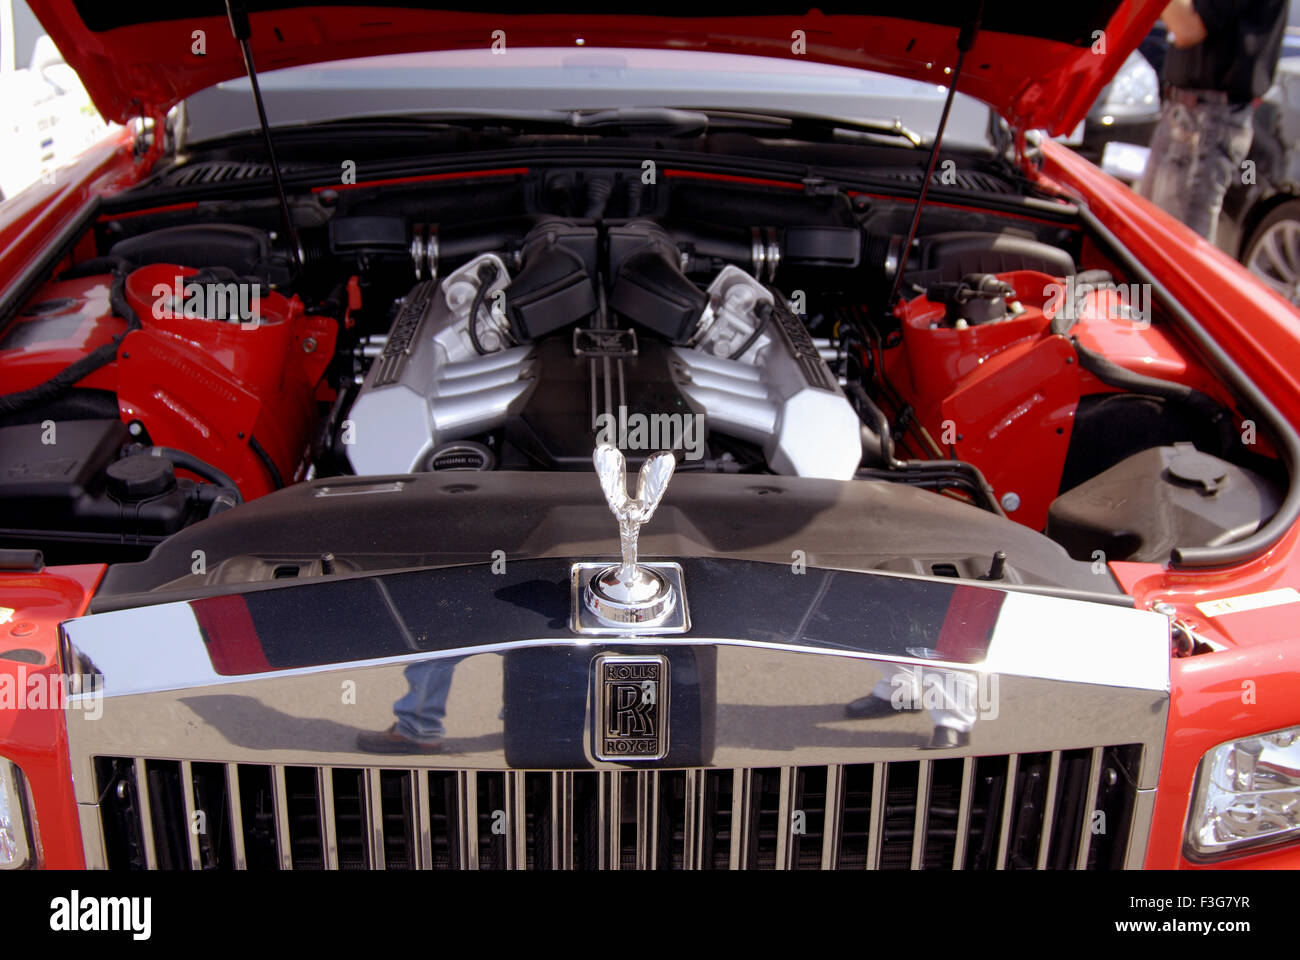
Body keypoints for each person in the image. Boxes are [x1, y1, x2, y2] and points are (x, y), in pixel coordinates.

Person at [1138, 0, 1289, 241]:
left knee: (1175, 251)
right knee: (1143, 239)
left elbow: (1188, 27)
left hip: (1209, 121)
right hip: (1184, 111)